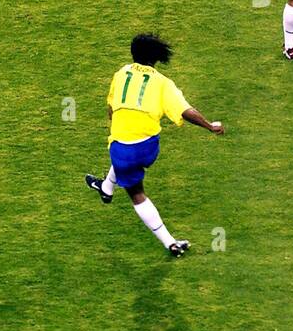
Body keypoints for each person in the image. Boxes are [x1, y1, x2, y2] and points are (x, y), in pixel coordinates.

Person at [84, 34, 224, 258]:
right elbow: (184, 111)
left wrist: (117, 124)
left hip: (123, 148)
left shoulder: (120, 74)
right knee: (123, 158)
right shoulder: (162, 83)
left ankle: (170, 243)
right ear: (156, 58)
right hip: (149, 147)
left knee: (136, 192)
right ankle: (106, 188)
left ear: (133, 54)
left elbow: (111, 107)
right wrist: (210, 126)